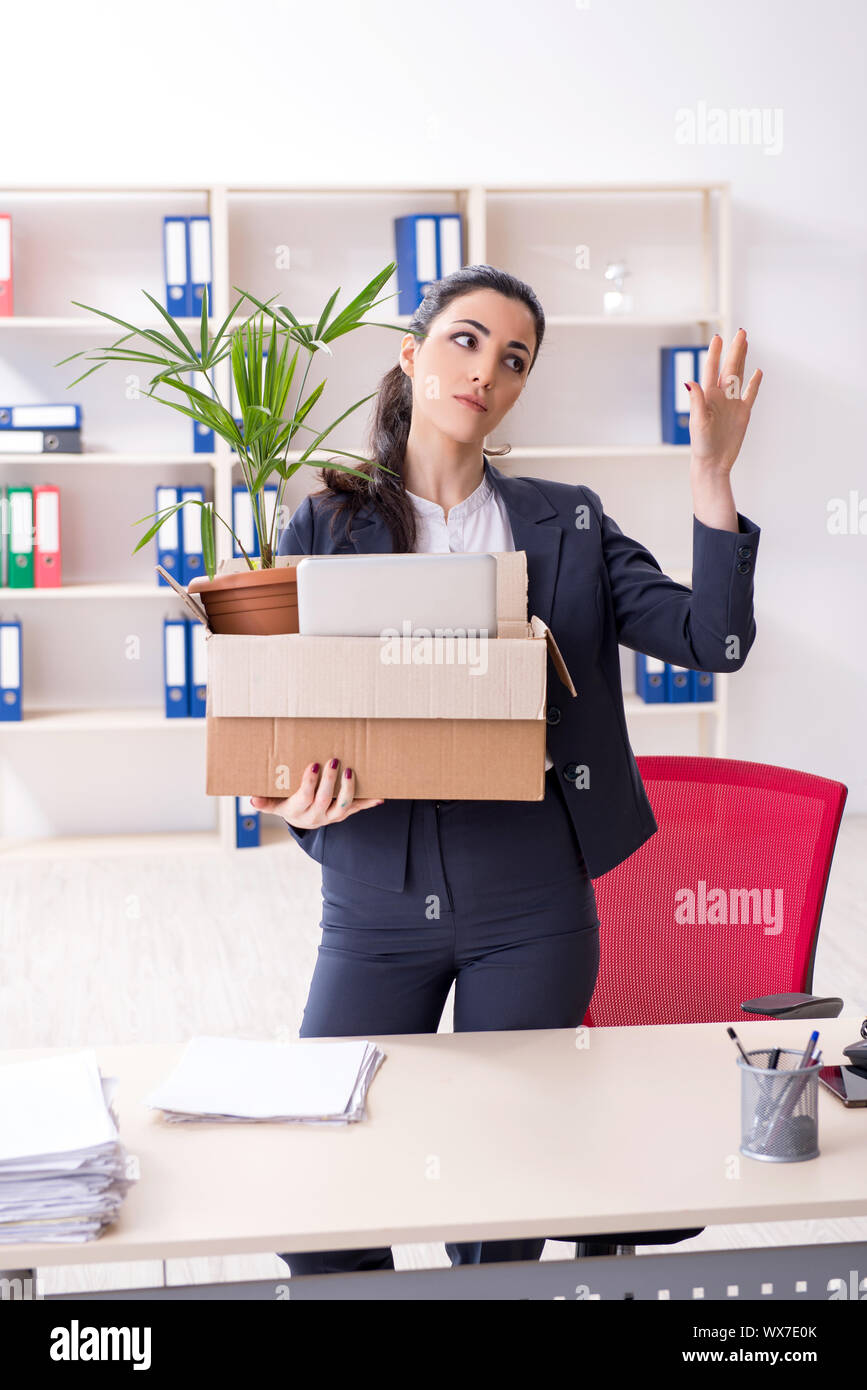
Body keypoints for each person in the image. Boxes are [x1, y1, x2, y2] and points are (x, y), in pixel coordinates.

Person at [251, 264, 763, 1275]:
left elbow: (718, 640)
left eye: (515, 357)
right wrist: (292, 802)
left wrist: (712, 476)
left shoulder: (564, 520)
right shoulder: (324, 522)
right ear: (413, 354)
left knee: (500, 1213)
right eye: (467, 339)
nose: (488, 368)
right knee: (324, 1207)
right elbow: (280, 725)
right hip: (376, 898)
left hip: (532, 903)